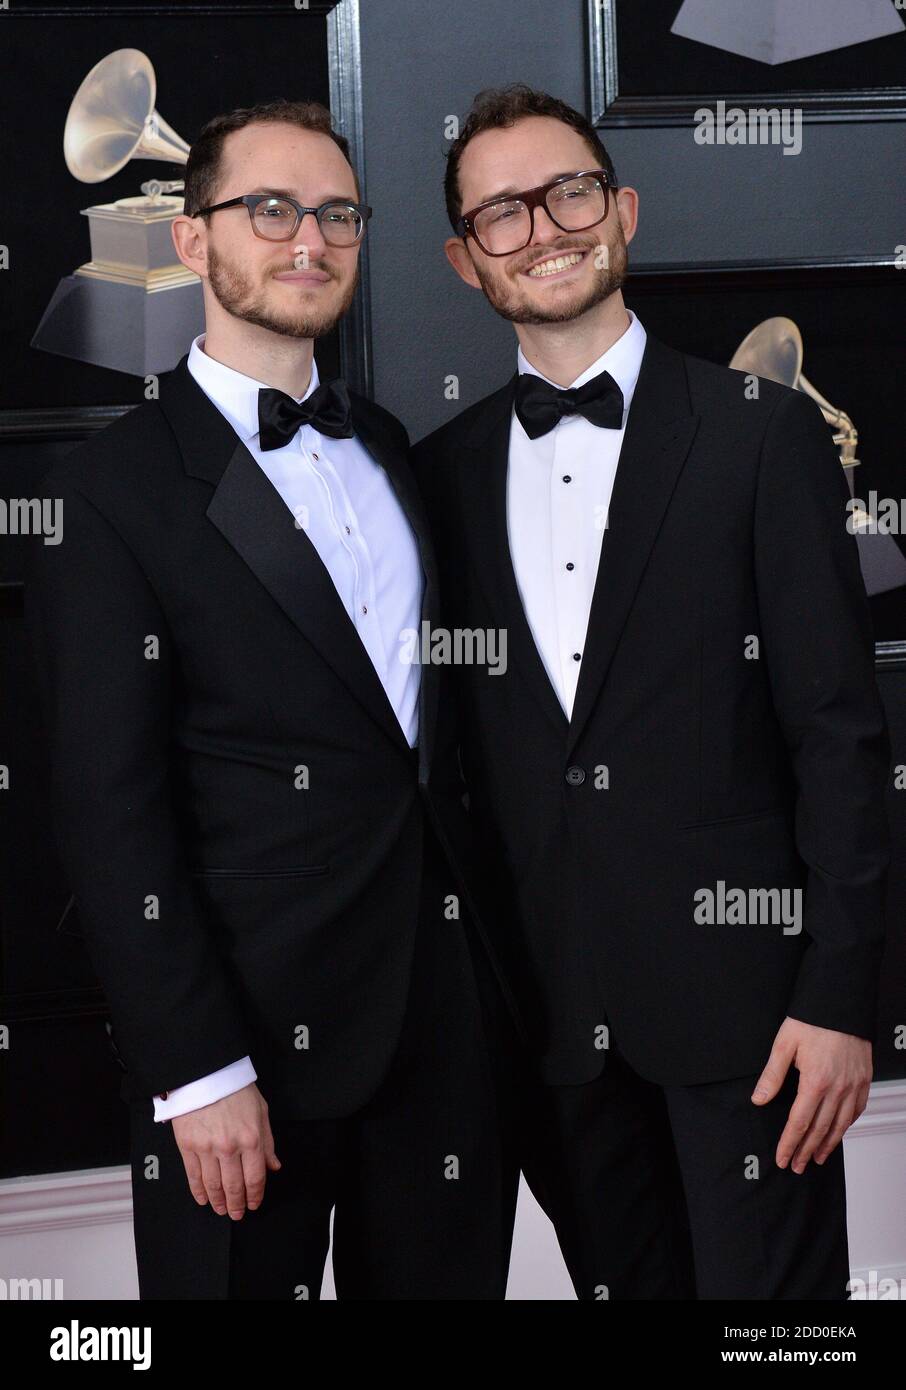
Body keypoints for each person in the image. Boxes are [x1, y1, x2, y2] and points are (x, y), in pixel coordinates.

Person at [26, 99, 520, 1300]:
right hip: (242, 1050)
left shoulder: (394, 444)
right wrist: (195, 1071)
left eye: (338, 213)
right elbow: (110, 807)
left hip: (443, 1035)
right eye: (272, 208)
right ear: (193, 240)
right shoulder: (107, 492)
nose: (310, 238)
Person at [411, 84, 891, 1300]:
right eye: (502, 214)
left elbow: (839, 735)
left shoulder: (763, 437)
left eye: (569, 191)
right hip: (556, 1036)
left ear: (621, 208)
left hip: (758, 1025)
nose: (546, 228)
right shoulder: (436, 478)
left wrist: (840, 998)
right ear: (467, 263)